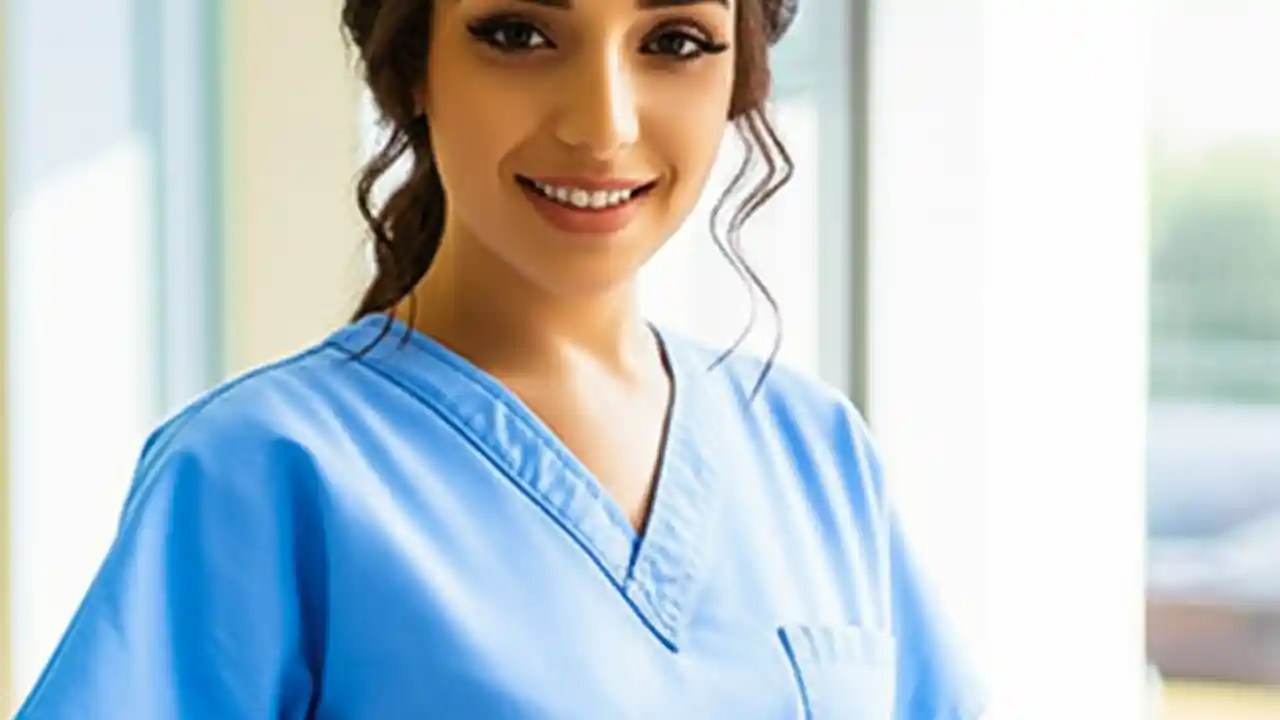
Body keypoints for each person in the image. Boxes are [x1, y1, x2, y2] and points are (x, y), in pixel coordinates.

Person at [16, 0, 988, 717]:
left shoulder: (816, 452)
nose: (602, 124)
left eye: (674, 42)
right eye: (519, 35)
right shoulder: (262, 468)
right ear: (414, 69)